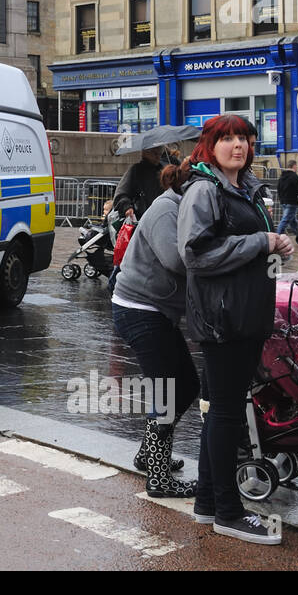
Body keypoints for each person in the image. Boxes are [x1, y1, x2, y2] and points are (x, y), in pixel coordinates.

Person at [177, 114, 290, 544]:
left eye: (243, 138)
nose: (237, 146)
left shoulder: (244, 188)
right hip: (223, 320)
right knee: (225, 412)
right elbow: (196, 254)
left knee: (221, 411)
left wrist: (274, 242)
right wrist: (260, 242)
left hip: (244, 315)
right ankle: (229, 510)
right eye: (227, 138)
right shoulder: (205, 190)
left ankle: (208, 501)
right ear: (210, 145)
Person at [110, 160, 199, 498]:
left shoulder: (182, 208)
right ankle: (159, 479)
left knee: (188, 384)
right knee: (165, 391)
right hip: (140, 309)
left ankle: (148, 454)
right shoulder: (166, 209)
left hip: (158, 310)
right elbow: (175, 260)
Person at [113, 147, 166, 221]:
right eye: (155, 153)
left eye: (160, 154)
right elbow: (121, 194)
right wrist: (127, 208)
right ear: (145, 153)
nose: (158, 157)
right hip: (141, 218)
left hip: (160, 216)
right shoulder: (135, 170)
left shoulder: (164, 171)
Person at [276, 159, 298, 236]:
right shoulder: (294, 176)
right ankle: (277, 236)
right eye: (296, 166)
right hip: (292, 201)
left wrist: (281, 198)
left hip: (283, 201)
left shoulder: (282, 176)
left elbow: (279, 188)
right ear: (294, 166)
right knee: (285, 220)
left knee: (292, 221)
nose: (297, 168)